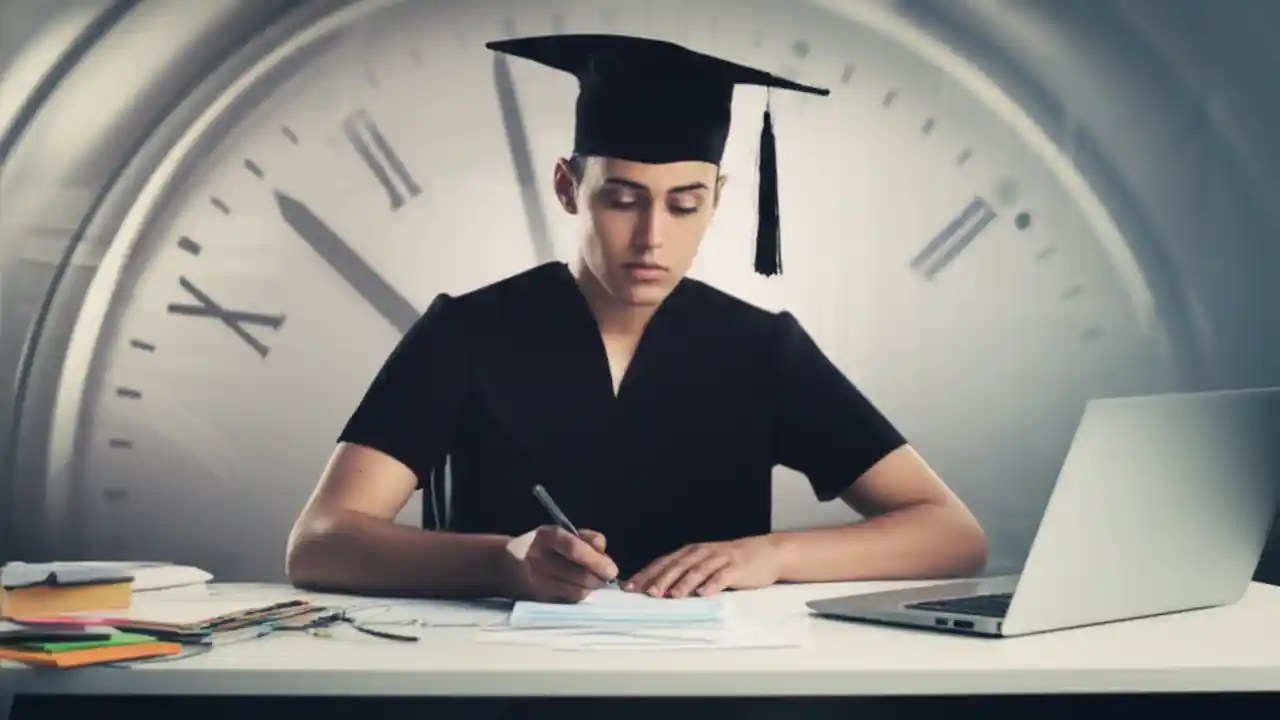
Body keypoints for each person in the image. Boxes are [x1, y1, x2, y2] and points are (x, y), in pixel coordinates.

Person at [285, 33, 988, 719]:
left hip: (706, 698)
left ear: (717, 198)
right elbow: (321, 542)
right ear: (569, 187)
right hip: (504, 694)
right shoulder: (467, 333)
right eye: (622, 199)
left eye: (685, 203)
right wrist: (503, 562)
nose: (653, 237)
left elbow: (951, 534)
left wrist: (773, 555)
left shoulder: (759, 348)